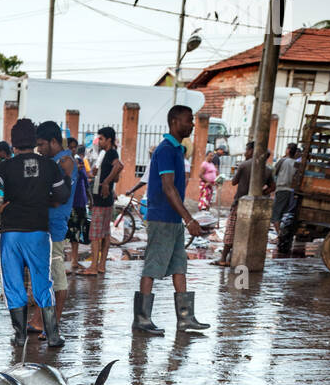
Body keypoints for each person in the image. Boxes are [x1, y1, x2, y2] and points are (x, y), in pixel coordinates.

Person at [0, 116, 70, 348]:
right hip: (39, 232)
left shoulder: (6, 166)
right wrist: (45, 199)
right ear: (34, 140)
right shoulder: (50, 166)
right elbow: (62, 195)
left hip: (10, 233)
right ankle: (53, 336)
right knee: (42, 281)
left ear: (13, 142)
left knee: (13, 283)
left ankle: (20, 336)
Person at [134, 104, 208, 336]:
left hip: (173, 219)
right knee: (152, 267)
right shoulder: (166, 149)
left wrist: (183, 218)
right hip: (163, 217)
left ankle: (185, 318)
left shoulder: (176, 150)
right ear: (175, 122)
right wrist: (189, 219)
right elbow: (168, 188)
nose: (192, 125)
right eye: (188, 120)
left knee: (179, 266)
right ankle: (142, 319)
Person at [35, 120, 76, 326]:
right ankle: (39, 320)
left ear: (53, 141)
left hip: (56, 223)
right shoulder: (54, 162)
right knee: (44, 272)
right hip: (47, 222)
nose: (39, 150)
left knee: (57, 274)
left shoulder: (65, 162)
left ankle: (54, 324)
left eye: (42, 145)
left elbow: (61, 197)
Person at [216, 140, 275, 266]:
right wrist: (260, 193)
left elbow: (233, 182)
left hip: (240, 202)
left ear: (253, 151)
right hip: (257, 205)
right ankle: (236, 260)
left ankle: (223, 258)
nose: (245, 152)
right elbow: (272, 187)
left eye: (247, 150)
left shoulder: (244, 165)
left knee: (231, 231)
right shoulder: (268, 169)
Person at [85, 126, 122, 277]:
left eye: (101, 138)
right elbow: (116, 175)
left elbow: (119, 166)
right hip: (103, 199)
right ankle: (101, 265)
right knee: (105, 233)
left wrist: (106, 182)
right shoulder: (104, 154)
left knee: (95, 234)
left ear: (109, 139)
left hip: (102, 199)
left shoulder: (111, 152)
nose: (99, 141)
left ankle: (94, 266)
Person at [66, 144, 90, 273]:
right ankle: (71, 260)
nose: (73, 150)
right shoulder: (65, 162)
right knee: (70, 232)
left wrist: (90, 199)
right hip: (70, 203)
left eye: (74, 147)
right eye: (71, 147)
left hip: (80, 202)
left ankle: (74, 260)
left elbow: (85, 182)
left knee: (77, 231)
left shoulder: (79, 162)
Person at [272, 143, 299, 231]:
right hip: (291, 190)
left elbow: (274, 172)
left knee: (276, 214)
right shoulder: (297, 163)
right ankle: (281, 233)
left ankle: (279, 235)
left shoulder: (283, 160)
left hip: (281, 189)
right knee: (285, 213)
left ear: (288, 150)